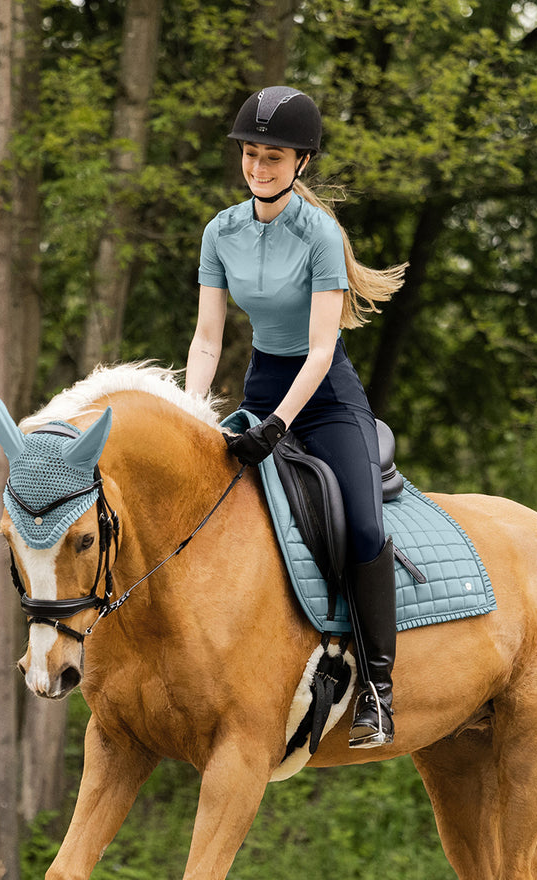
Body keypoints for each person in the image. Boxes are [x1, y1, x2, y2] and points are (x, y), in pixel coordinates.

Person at [185, 85, 406, 749]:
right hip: (261, 385)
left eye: (273, 157)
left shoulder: (320, 234)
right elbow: (205, 340)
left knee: (363, 526)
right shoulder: (219, 231)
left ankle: (378, 688)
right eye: (250, 155)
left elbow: (320, 349)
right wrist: (195, 414)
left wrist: (277, 425)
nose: (257, 168)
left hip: (325, 397)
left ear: (302, 162)